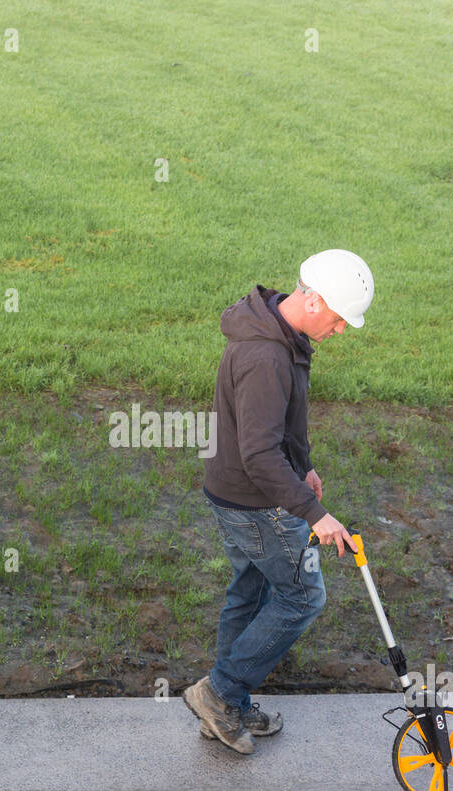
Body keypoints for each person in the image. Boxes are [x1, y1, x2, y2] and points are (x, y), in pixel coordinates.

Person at [184, 249, 374, 754]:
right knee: (303, 596)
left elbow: (286, 422)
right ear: (313, 301)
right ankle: (220, 692)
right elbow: (259, 456)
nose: (338, 331)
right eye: (337, 319)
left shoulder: (281, 334)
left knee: (250, 590)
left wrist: (304, 464)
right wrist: (317, 515)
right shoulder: (265, 356)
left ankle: (227, 705)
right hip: (254, 501)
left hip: (235, 492)